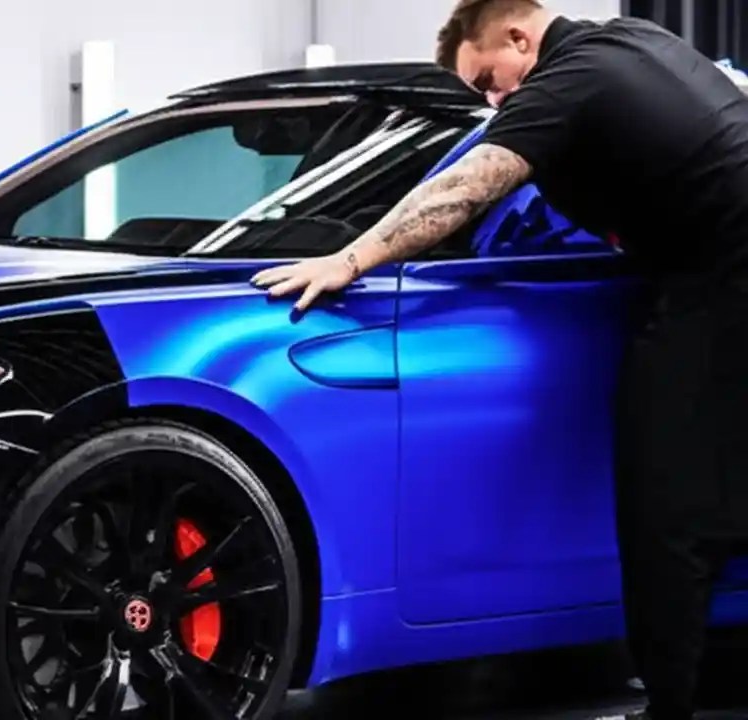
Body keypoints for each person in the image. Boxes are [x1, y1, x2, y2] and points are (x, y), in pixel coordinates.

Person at [252, 1, 748, 718]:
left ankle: (668, 708)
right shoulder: (644, 40)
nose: (491, 101)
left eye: (488, 79)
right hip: (712, 275)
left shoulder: (568, 78)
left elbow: (467, 184)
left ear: (521, 37)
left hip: (722, 284)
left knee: (663, 505)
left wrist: (351, 256)